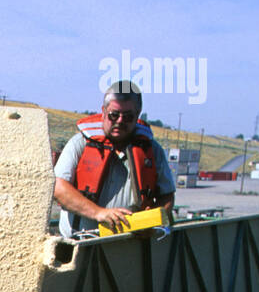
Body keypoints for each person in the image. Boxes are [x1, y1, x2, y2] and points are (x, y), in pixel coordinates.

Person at [53, 81, 176, 237]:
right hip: (82, 242)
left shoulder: (152, 149)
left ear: (138, 114)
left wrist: (153, 220)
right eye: (114, 115)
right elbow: (58, 187)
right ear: (104, 111)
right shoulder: (80, 143)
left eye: (128, 117)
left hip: (129, 244)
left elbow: (167, 195)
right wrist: (99, 213)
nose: (119, 121)